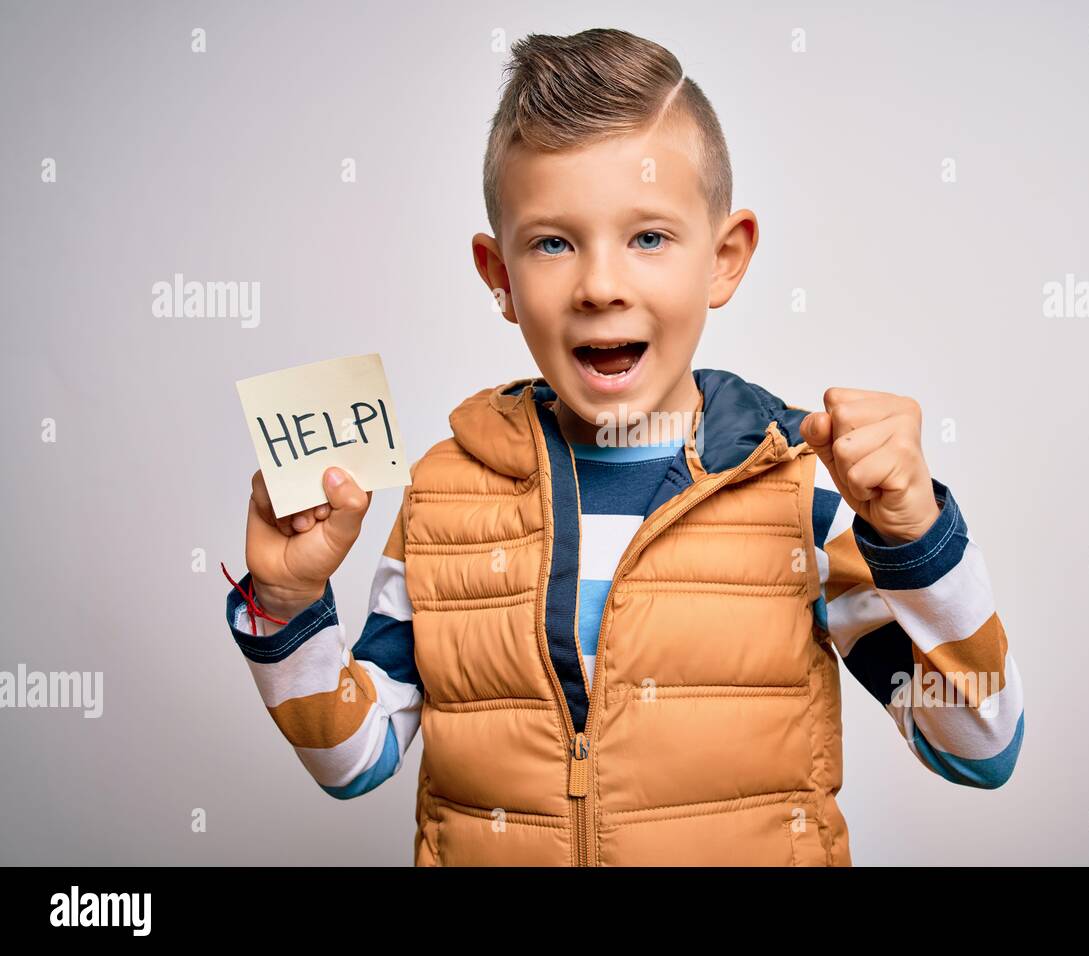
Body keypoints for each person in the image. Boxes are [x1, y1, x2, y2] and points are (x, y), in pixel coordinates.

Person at [224, 27, 1024, 866]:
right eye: (553, 243)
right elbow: (353, 762)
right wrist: (284, 607)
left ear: (725, 258)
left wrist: (918, 541)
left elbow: (978, 748)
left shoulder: (806, 494)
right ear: (498, 277)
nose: (601, 286)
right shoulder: (440, 498)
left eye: (648, 238)